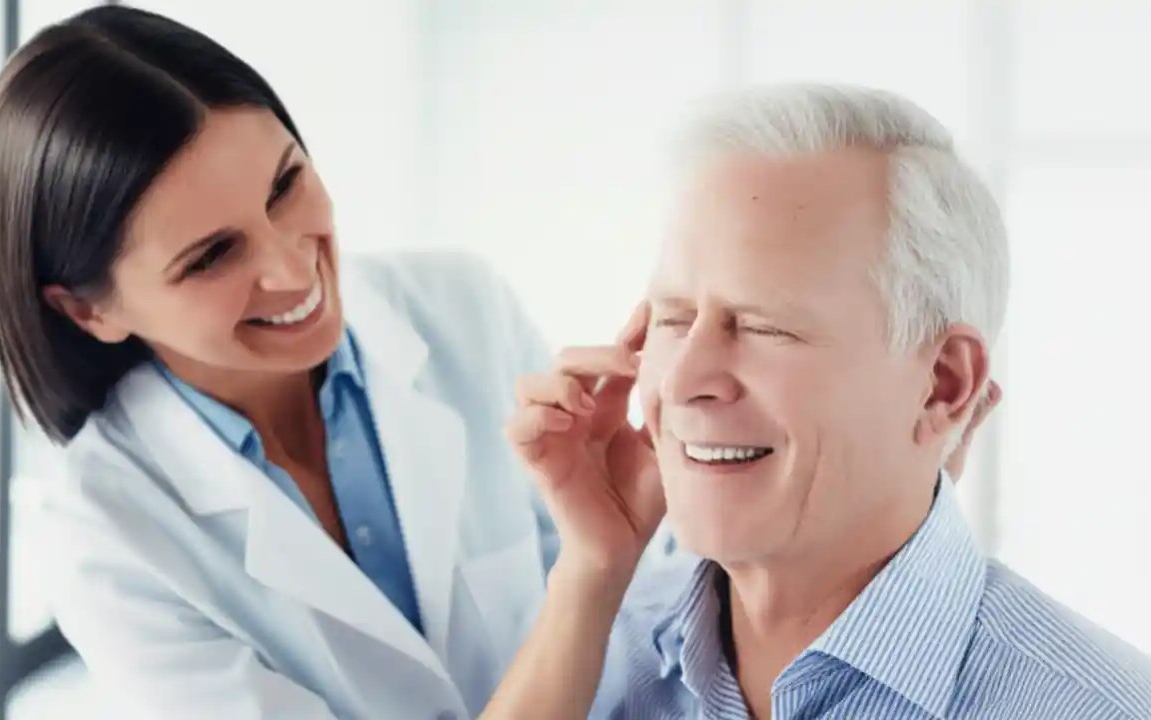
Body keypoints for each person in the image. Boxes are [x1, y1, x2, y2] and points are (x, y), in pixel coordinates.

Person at [486, 84, 1151, 719]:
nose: (684, 378)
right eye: (673, 318)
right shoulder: (586, 647)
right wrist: (591, 574)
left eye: (766, 326)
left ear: (943, 385)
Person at [0, 7, 562, 719]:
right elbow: (597, 573)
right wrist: (596, 567)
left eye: (285, 185)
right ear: (88, 310)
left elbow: (648, 619)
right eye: (211, 256)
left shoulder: (462, 307)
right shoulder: (104, 534)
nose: (291, 269)